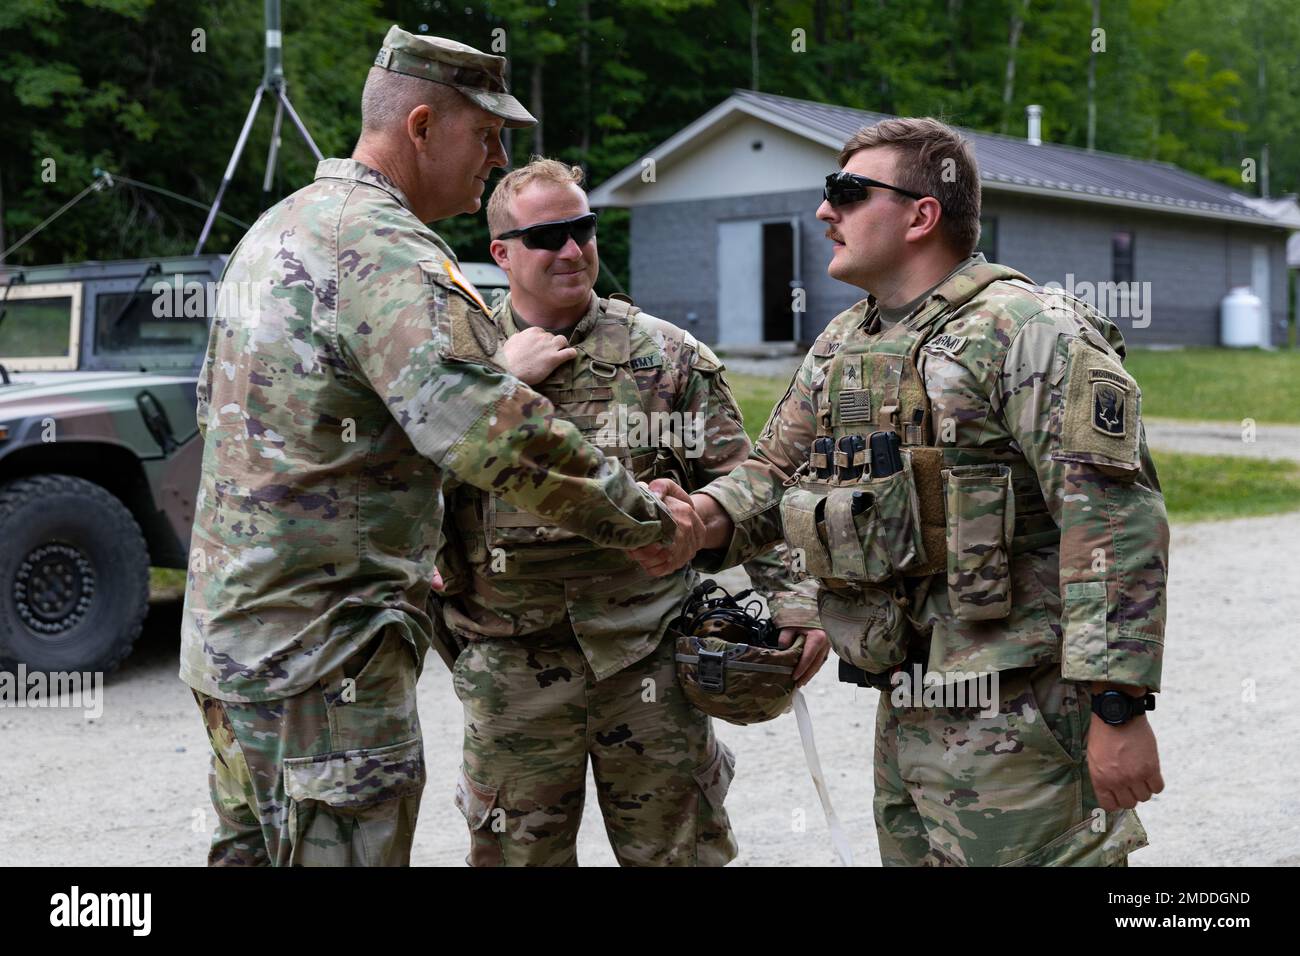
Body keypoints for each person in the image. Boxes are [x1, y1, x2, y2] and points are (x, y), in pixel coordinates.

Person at [181, 27, 700, 867]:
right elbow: (492, 436)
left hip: (234, 646)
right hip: (326, 661)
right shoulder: (386, 249)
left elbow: (229, 419)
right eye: (485, 134)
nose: (495, 160)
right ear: (420, 127)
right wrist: (648, 522)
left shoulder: (276, 231)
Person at [679, 117, 1168, 866]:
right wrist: (699, 518)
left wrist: (1118, 704)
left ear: (921, 214)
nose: (824, 211)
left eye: (846, 192)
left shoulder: (1028, 332)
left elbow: (1111, 521)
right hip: (906, 703)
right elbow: (776, 473)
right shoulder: (846, 341)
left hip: (1023, 716)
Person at [432, 157, 829, 866]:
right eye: (546, 235)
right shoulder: (453, 366)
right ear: (500, 254)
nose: (571, 249)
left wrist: (796, 602)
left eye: (581, 228)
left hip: (648, 662)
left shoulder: (666, 358)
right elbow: (399, 496)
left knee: (677, 856)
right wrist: (494, 386)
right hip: (511, 670)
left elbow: (754, 488)